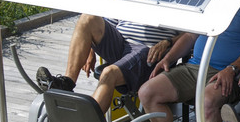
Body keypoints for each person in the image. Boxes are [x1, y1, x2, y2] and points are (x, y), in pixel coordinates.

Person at [36, 16, 177, 113]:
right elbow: (107, 21)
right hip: (120, 41)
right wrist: (90, 48)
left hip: (148, 49)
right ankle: (66, 83)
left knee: (108, 73)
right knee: (87, 18)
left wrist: (168, 42)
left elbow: (190, 36)